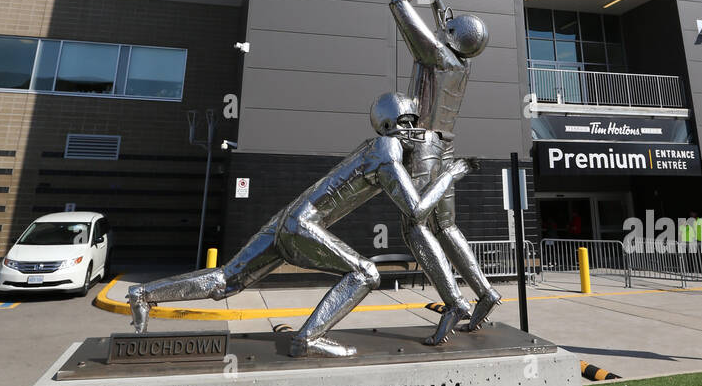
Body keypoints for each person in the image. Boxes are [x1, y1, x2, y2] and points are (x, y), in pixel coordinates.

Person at [128, 92, 474, 355]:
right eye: (405, 123)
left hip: (288, 221)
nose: (413, 129)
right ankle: (307, 338)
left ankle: (143, 295)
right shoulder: (386, 150)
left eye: (414, 122)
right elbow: (415, 211)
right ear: (388, 126)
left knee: (227, 281)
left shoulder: (373, 148)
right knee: (366, 273)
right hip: (302, 225)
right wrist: (451, 175)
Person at [390, 0, 502, 332]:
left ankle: (453, 302)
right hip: (447, 147)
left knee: (415, 224)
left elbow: (398, 2)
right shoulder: (461, 64)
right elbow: (445, 24)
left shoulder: (437, 56)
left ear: (452, 36)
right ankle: (484, 291)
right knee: (448, 226)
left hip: (422, 146)